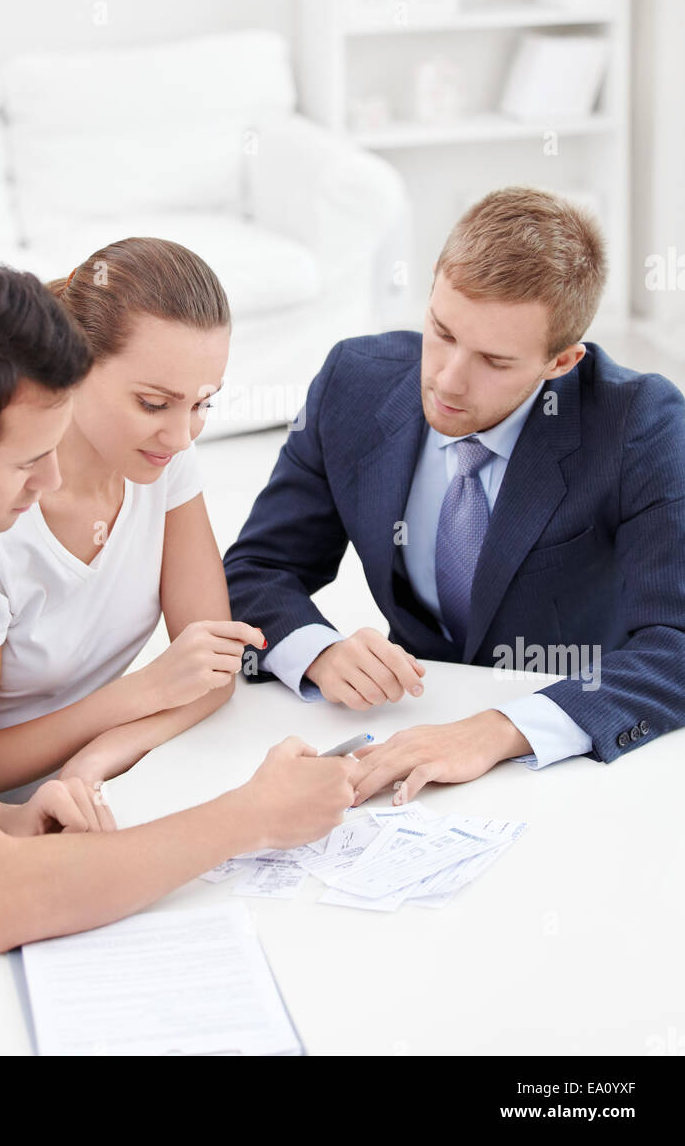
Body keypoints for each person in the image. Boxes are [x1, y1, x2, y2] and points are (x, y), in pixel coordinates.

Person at [0, 262, 355, 1040]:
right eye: (28, 460)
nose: (56, 477)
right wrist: (255, 817)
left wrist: (4, 823)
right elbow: (0, 901)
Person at [223, 187, 685, 805]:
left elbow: (675, 645)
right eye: (441, 331)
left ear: (562, 361)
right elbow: (255, 569)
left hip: (566, 754)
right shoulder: (352, 381)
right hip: (407, 728)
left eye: (494, 360)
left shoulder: (641, 425)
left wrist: (498, 730)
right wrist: (318, 650)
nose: (446, 379)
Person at [0, 238, 252, 802]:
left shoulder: (166, 466)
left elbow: (212, 672)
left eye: (203, 403)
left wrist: (96, 761)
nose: (182, 436)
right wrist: (141, 693)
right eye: (154, 405)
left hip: (108, 783)